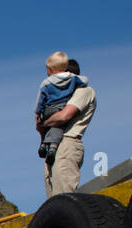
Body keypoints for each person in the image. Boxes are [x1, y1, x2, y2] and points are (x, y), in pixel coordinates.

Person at [36, 51, 96, 197]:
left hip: (68, 142)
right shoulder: (57, 96)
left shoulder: (84, 91)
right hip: (53, 145)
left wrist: (45, 122)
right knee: (53, 200)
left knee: (64, 196)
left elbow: (64, 116)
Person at [35, 52, 87, 164]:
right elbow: (62, 118)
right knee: (58, 125)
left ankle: (45, 145)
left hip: (48, 109)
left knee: (53, 123)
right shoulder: (74, 81)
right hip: (60, 107)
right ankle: (52, 146)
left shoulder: (46, 82)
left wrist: (38, 113)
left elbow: (41, 99)